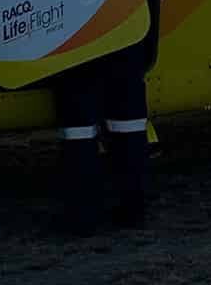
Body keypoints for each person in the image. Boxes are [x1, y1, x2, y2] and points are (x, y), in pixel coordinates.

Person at [52, 44, 150, 235]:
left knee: (78, 134)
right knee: (129, 128)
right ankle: (133, 210)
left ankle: (82, 217)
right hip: (127, 45)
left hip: (77, 53)